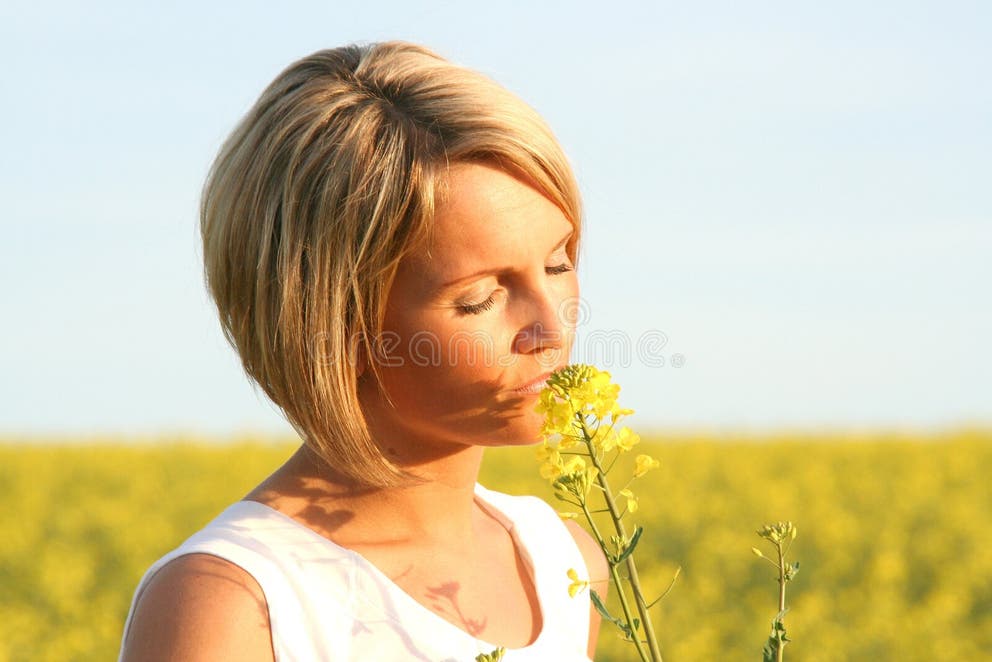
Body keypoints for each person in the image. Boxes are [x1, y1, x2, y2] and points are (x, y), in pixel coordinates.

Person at [118, 41, 607, 662]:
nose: (553, 326)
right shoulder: (235, 607)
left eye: (559, 262)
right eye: (481, 299)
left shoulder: (564, 564)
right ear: (332, 327)